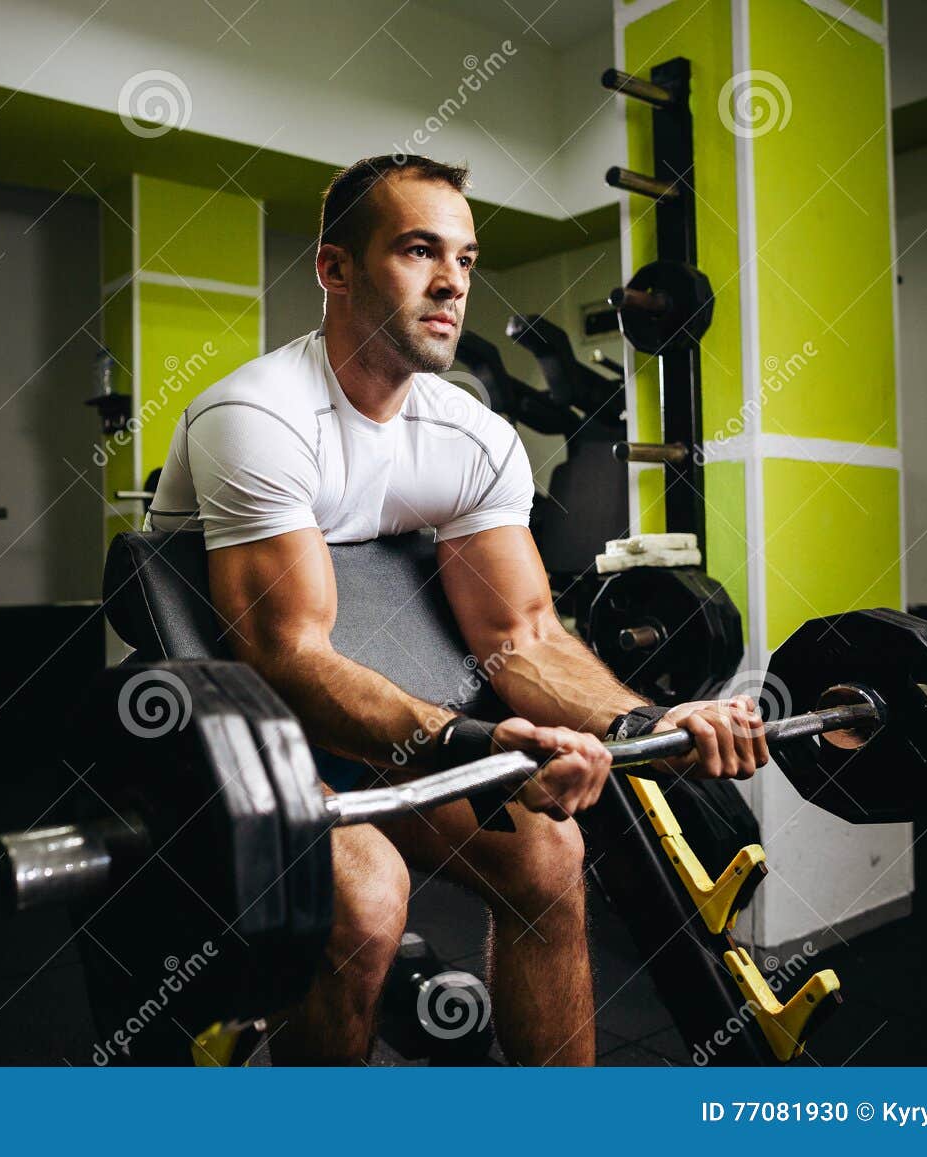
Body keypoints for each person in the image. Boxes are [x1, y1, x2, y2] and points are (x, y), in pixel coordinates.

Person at [146, 155, 768, 1066]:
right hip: (236, 724)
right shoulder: (256, 414)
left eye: (466, 259)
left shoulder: (473, 436)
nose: (452, 282)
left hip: (381, 716)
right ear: (335, 268)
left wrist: (645, 720)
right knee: (363, 899)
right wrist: (469, 742)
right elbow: (286, 655)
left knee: (547, 858)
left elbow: (522, 635)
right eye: (418, 250)